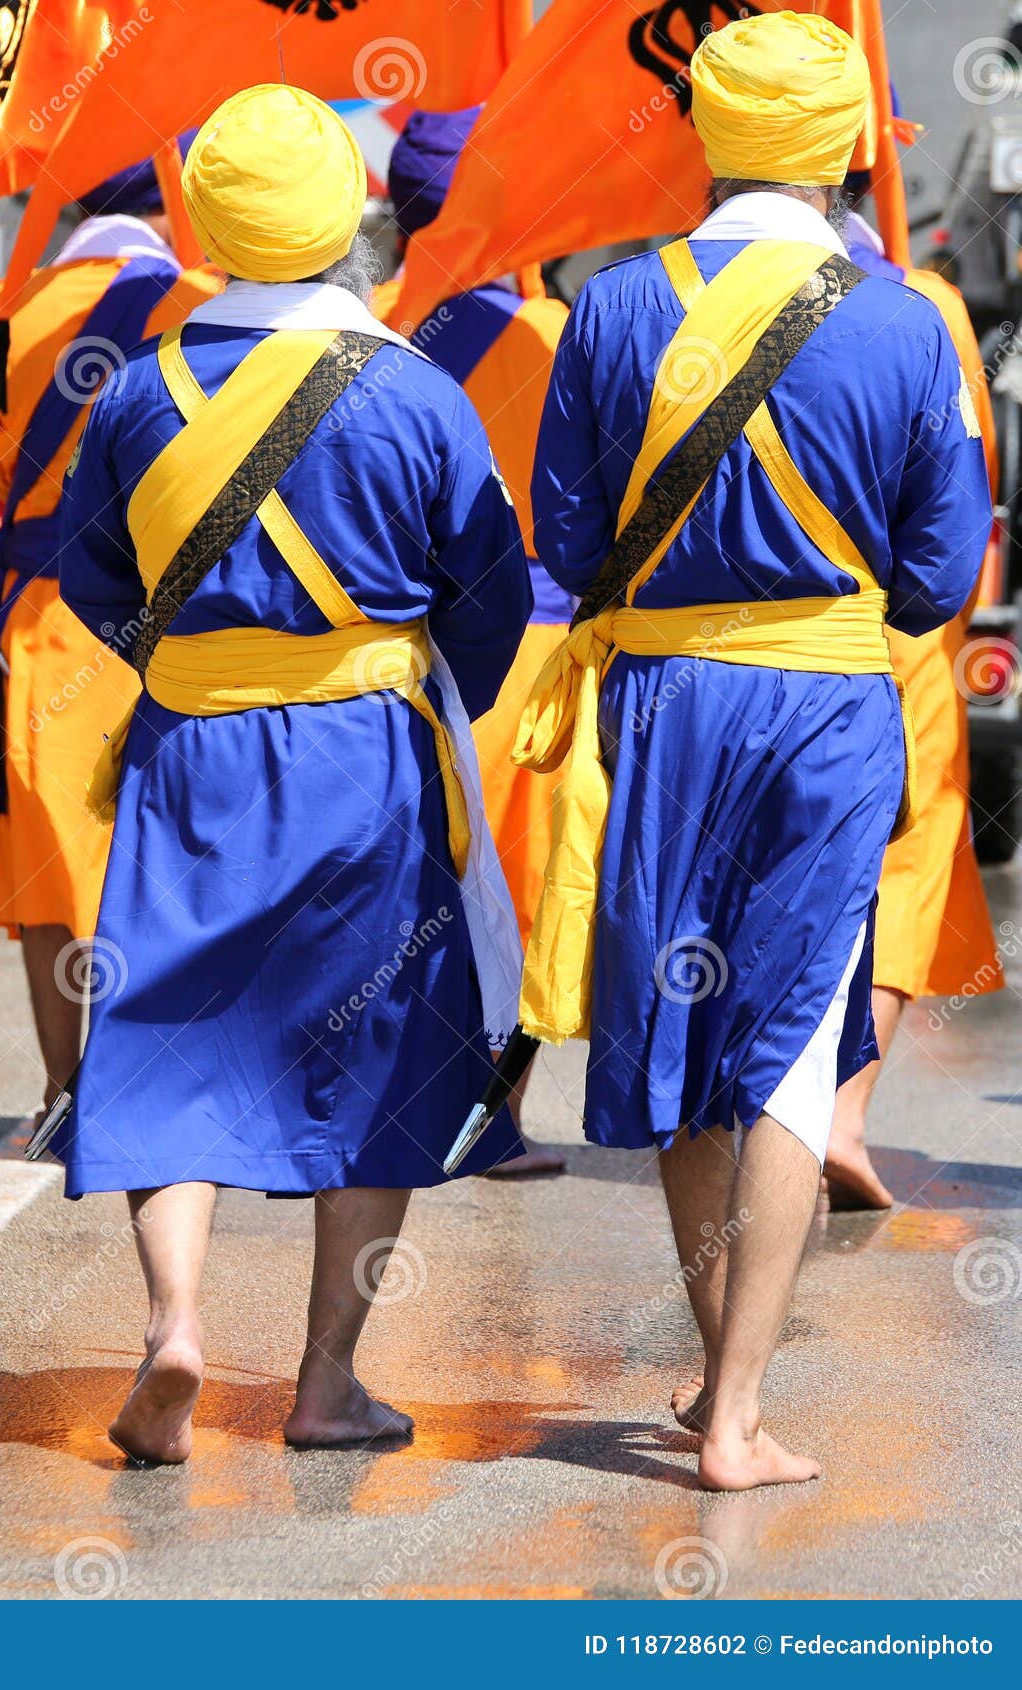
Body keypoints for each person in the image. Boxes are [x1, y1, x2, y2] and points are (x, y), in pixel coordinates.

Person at [523, 12, 990, 1489]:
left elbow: (568, 544)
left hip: (662, 706)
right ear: (848, 143)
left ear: (705, 136)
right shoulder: (907, 317)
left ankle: (714, 1362)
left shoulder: (608, 306)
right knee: (789, 1041)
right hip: (826, 707)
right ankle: (731, 1412)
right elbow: (937, 576)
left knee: (679, 1024)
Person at [56, 84, 531, 1464]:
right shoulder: (418, 395)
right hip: (362, 759)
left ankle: (175, 1328)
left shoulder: (139, 393)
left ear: (208, 219)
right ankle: (325, 1382)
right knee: (383, 1050)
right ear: (351, 223)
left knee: (159, 1031)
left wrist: (201, 665)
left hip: (189, 751)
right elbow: (485, 602)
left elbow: (96, 578)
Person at [0, 151, 218, 1128]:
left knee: (52, 868)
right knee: (168, 852)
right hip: (173, 615)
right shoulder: (201, 299)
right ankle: (160, 1078)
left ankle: (64, 1089)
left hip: (45, 615)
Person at [388, 108, 570, 1176]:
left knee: (417, 891)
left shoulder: (367, 327)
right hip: (531, 641)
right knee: (521, 895)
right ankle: (488, 1118)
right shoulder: (551, 334)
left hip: (394, 652)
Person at [826, 182, 1004, 1209]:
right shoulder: (922, 303)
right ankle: (843, 1116)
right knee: (904, 853)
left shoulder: (691, 289)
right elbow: (962, 485)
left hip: (752, 634)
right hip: (896, 625)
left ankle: (750, 1111)